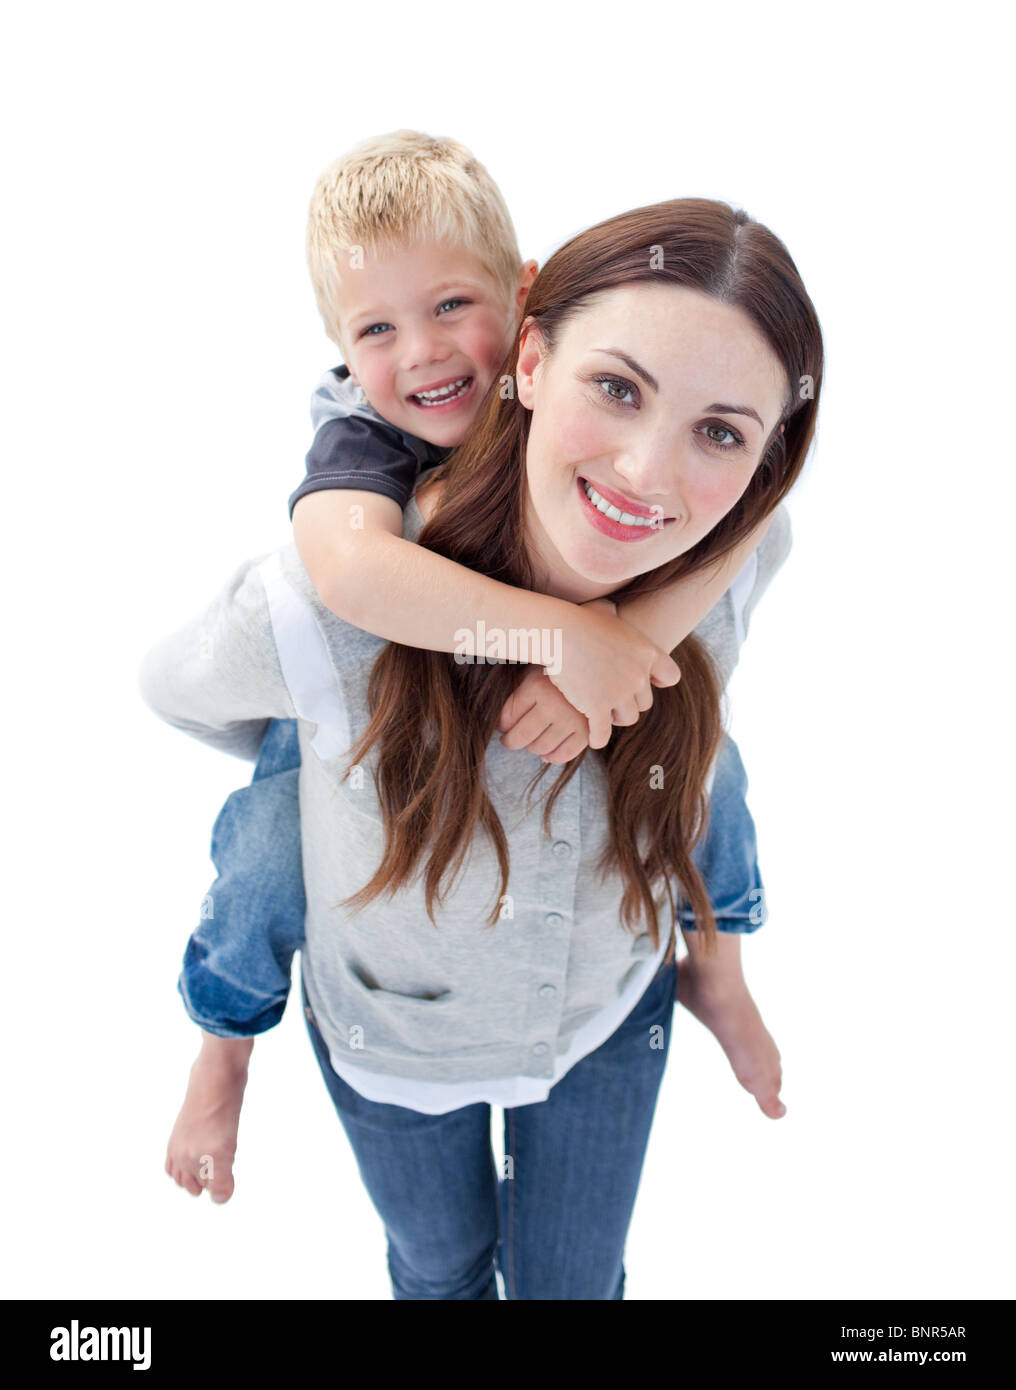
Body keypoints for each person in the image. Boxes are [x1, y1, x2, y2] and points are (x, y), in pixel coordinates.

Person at [139, 192, 823, 1298]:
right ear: (533, 357)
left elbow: (761, 515)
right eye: (617, 388)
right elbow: (178, 686)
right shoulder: (325, 588)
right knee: (439, 1267)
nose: (649, 475)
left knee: (573, 1282)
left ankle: (719, 963)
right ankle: (223, 1044)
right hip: (393, 1036)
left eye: (717, 432)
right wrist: (324, 741)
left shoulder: (735, 545)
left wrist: (628, 636)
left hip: (606, 1010)